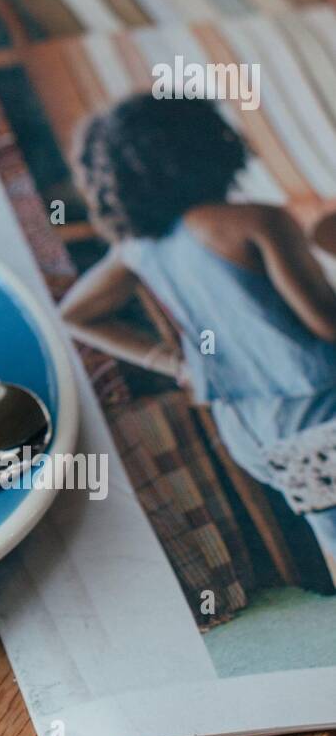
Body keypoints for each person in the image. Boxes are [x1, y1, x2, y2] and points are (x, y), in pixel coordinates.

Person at [61, 94, 336, 584]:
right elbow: (326, 323)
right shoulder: (257, 221)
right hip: (319, 415)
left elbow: (76, 313)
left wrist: (175, 363)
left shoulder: (139, 248)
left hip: (251, 435)